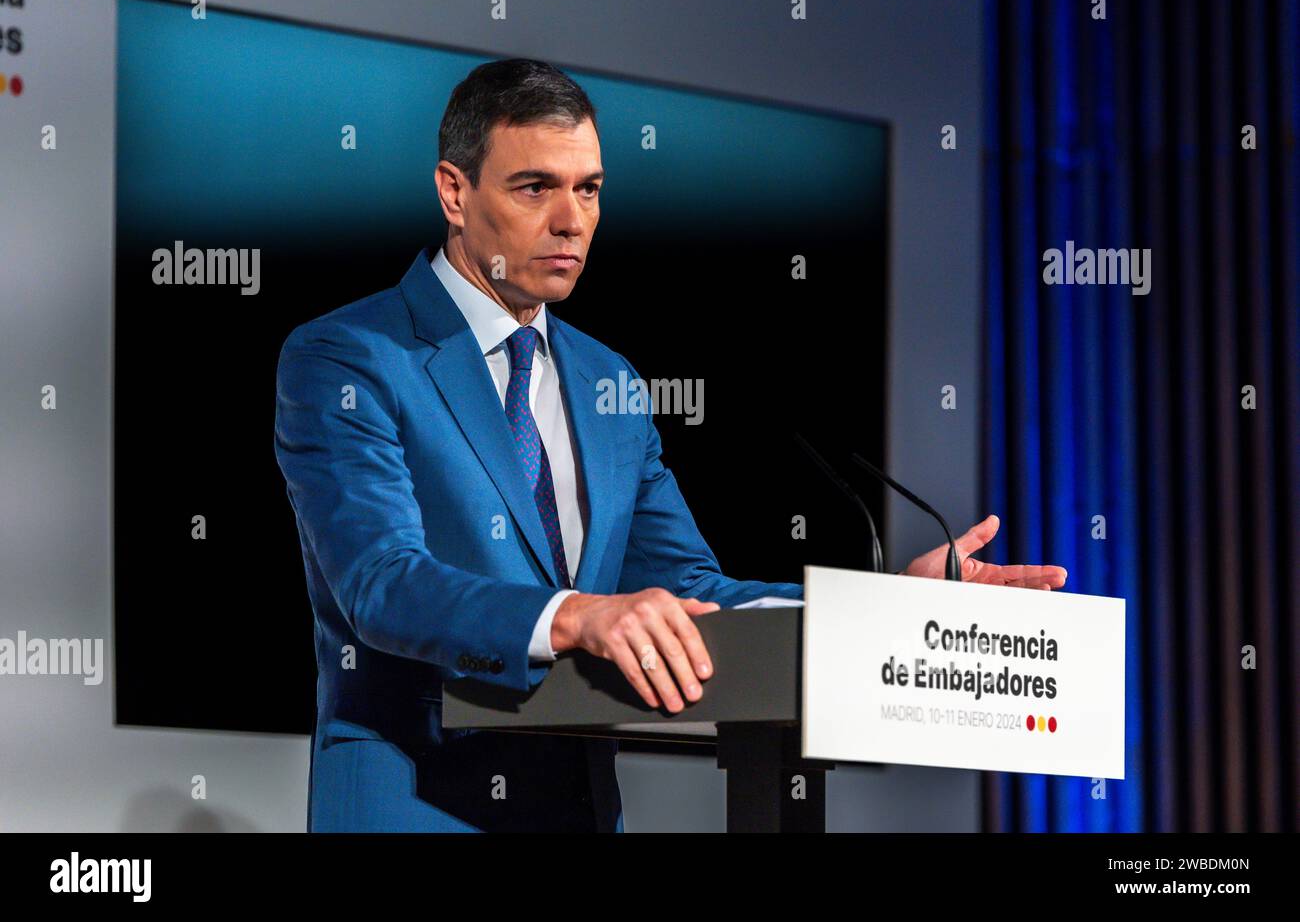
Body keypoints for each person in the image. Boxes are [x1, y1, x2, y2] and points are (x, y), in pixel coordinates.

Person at [273, 57, 1066, 832]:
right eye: (535, 187)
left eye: (589, 190)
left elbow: (686, 585)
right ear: (455, 191)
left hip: (576, 809)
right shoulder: (350, 355)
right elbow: (381, 583)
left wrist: (884, 611)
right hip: (415, 802)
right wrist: (576, 615)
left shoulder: (604, 378)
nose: (571, 220)